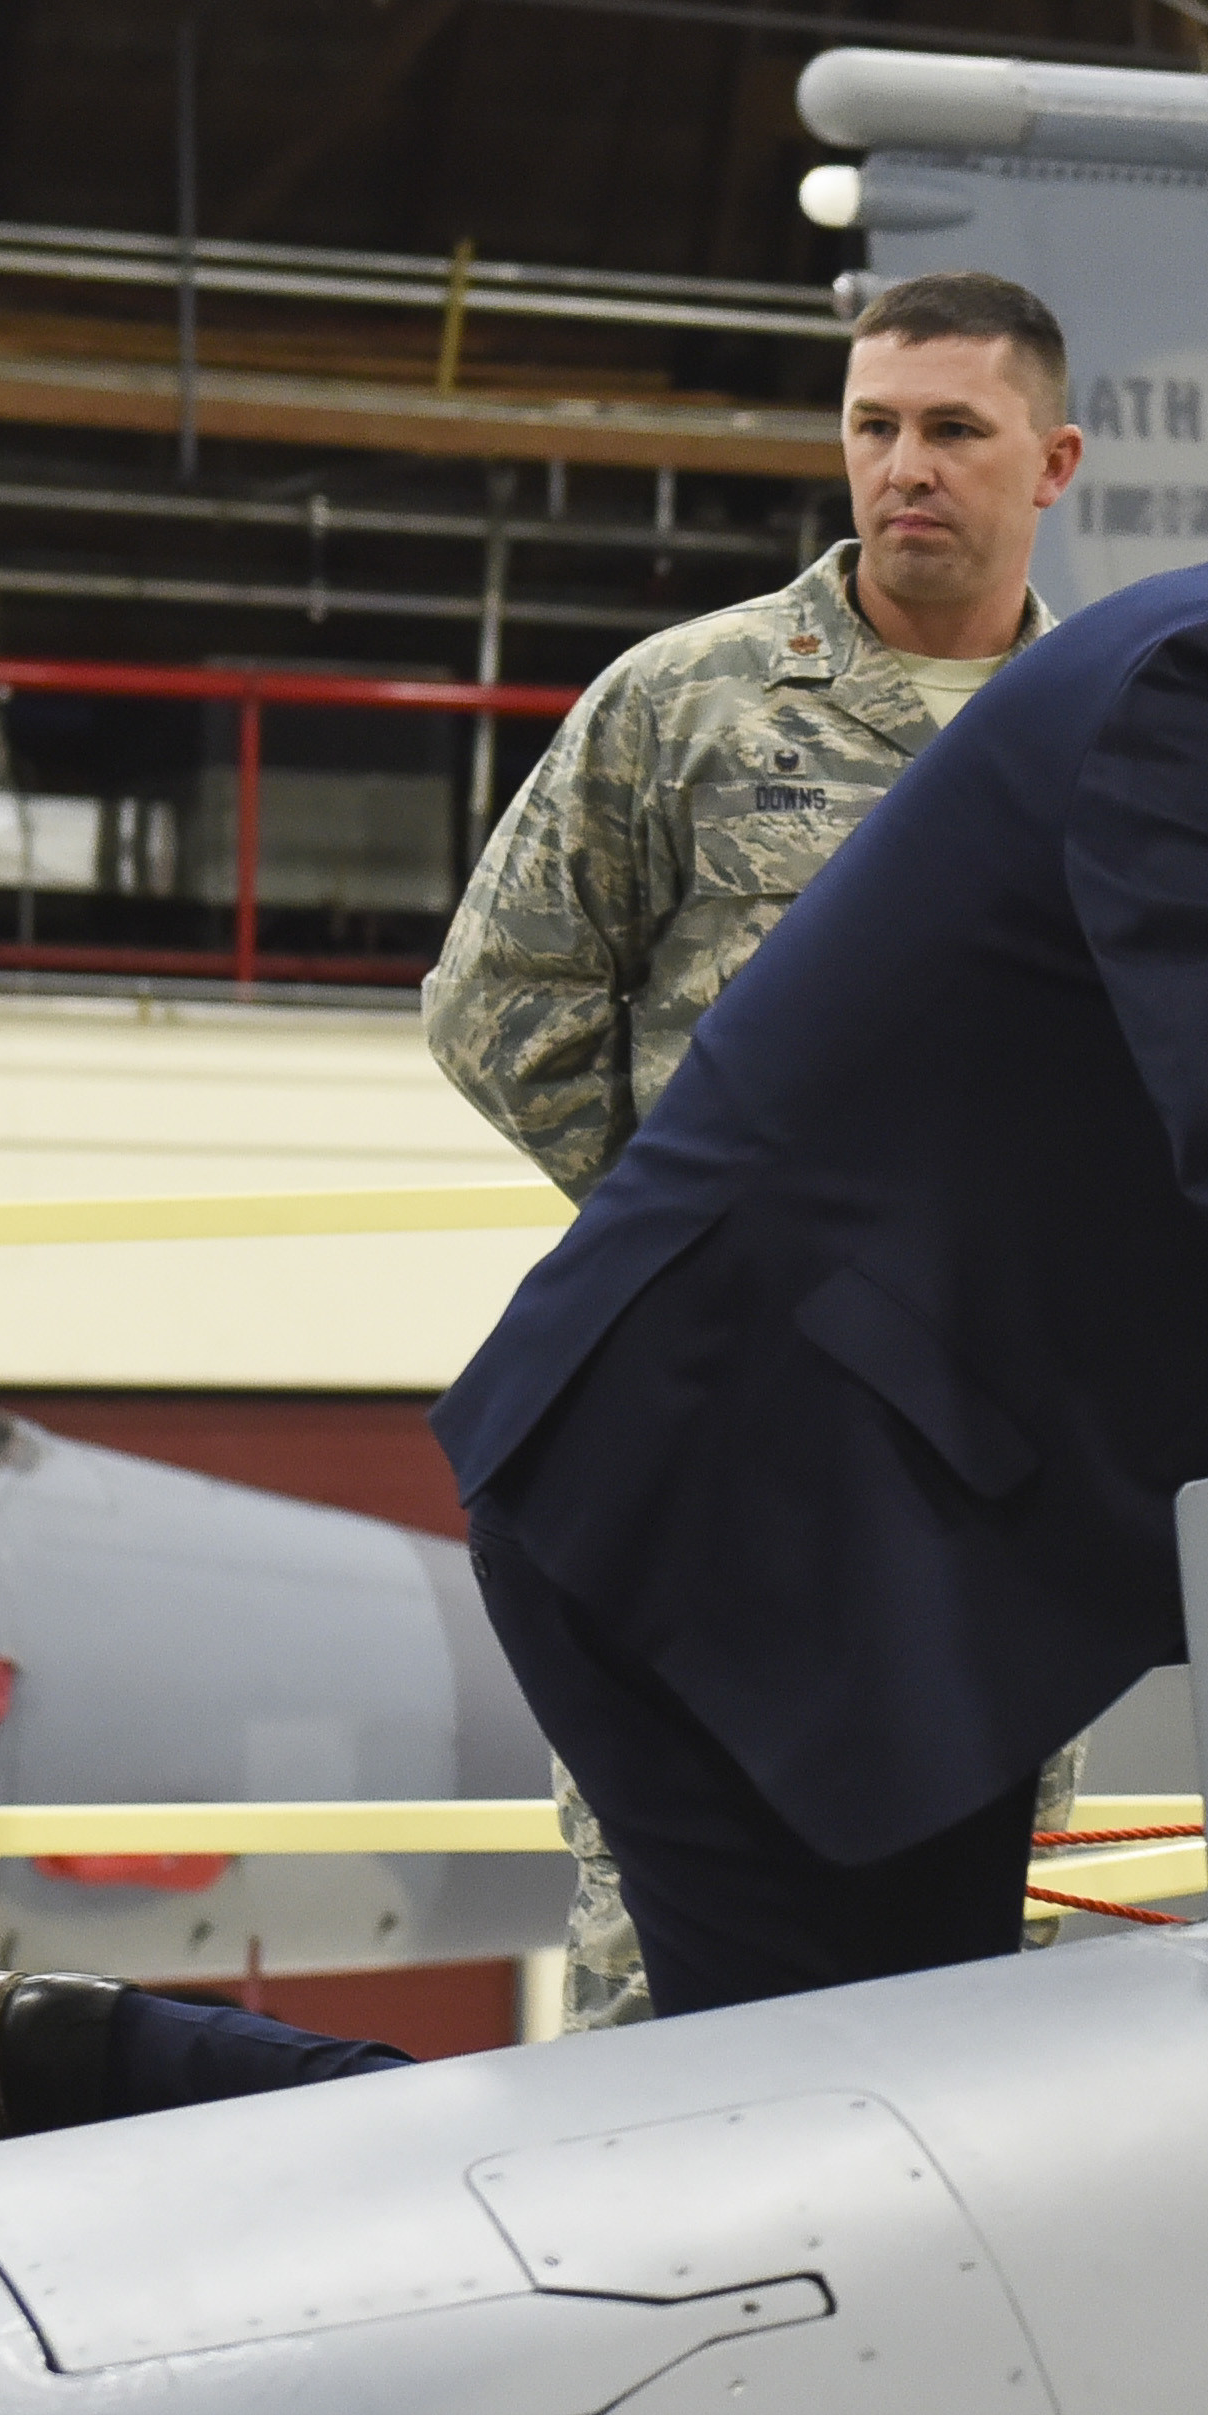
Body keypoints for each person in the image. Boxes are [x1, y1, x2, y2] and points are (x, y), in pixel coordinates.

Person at [0, 347, 1208, 2139]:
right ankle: (150, 2089)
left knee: (821, 2137)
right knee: (830, 2171)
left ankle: (118, 2074)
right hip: (749, 1518)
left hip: (897, 1542)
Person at [425, 266, 1086, 2032]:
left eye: (955, 430)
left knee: (957, 1990)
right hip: (710, 1431)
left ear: (1056, 459)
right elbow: (500, 998)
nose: (906, 468)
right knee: (674, 1981)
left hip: (973, 1461)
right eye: (875, 428)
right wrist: (712, 1245)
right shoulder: (690, 704)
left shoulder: (1114, 727)